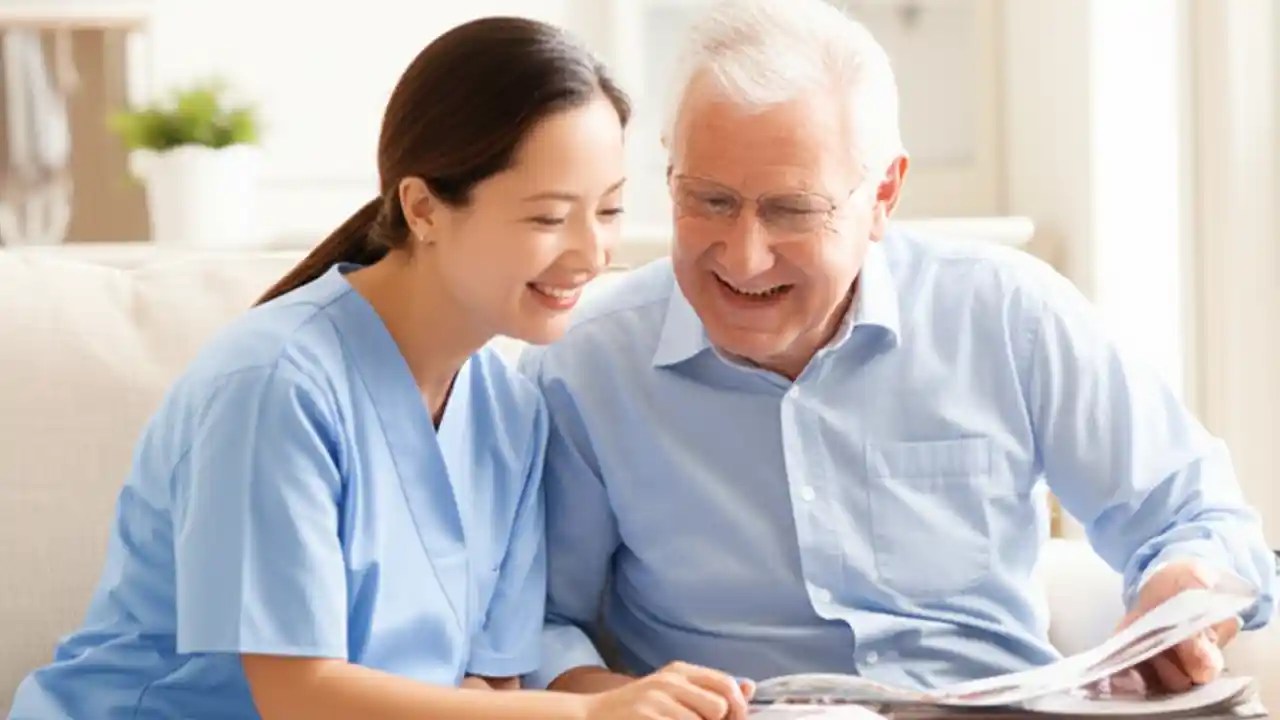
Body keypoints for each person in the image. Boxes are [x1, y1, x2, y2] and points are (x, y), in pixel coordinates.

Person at [520, 0, 1277, 700]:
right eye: (709, 200)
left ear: (884, 194)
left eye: (792, 209)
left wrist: (1190, 581)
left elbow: (1202, 515)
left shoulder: (1008, 315)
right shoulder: (587, 368)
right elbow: (535, 621)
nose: (743, 257)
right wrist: (613, 703)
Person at [8, 16, 750, 720]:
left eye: (612, 211)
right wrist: (585, 712)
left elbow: (491, 681)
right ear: (423, 209)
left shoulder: (511, 412)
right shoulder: (274, 385)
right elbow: (298, 696)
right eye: (548, 218)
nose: (592, 254)